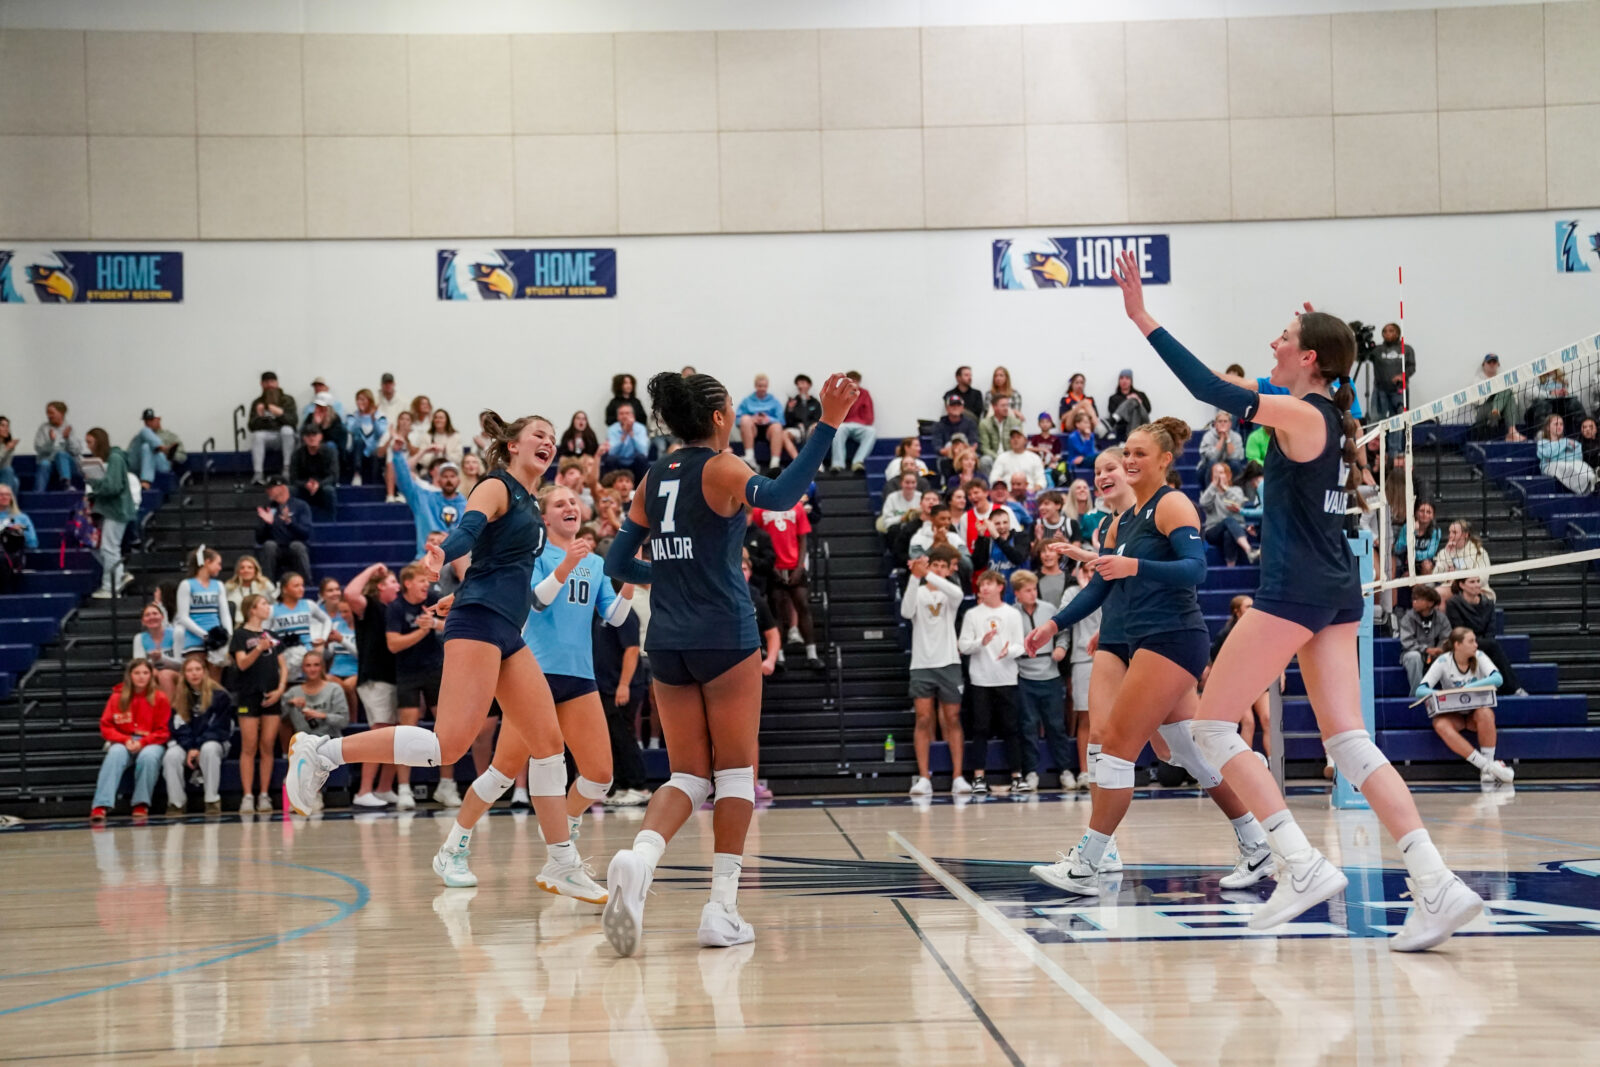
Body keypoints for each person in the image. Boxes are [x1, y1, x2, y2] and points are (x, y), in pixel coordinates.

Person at [1107, 253, 1482, 949]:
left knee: (1214, 730)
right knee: (1349, 740)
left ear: (1309, 357)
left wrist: (1141, 316)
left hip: (1296, 591)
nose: (1271, 343)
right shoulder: (1331, 416)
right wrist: (1314, 336)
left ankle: (1300, 862)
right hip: (1336, 588)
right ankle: (1435, 883)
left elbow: (1209, 386)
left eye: (1283, 335)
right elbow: (1300, 371)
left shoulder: (1304, 412)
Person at [286, 411, 601, 909]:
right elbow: (468, 530)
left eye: (552, 437)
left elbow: (504, 567)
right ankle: (321, 752)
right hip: (479, 626)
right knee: (448, 745)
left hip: (504, 628)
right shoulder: (496, 486)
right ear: (513, 445)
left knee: (547, 745)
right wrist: (440, 556)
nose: (548, 442)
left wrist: (464, 591)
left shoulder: (529, 503)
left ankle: (561, 863)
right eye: (537, 435)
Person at [598, 368, 856, 956]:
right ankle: (721, 909)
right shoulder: (722, 467)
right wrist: (828, 423)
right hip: (723, 633)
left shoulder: (651, 477)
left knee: (686, 774)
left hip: (666, 639)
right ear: (717, 417)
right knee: (736, 773)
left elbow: (619, 560)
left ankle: (641, 858)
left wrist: (667, 575)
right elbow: (783, 496)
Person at [431, 483, 634, 890]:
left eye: (574, 501)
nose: (570, 506)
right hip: (532, 674)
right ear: (544, 518)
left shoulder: (594, 563)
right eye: (560, 503)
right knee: (501, 774)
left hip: (580, 676)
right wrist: (565, 566)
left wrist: (630, 578)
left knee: (599, 776)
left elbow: (614, 617)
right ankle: (452, 847)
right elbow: (536, 601)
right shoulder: (532, 555)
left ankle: (563, 827)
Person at [901, 545, 967, 797]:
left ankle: (958, 776)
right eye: (934, 565)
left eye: (943, 566)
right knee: (923, 718)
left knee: (952, 718)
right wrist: (915, 576)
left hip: (949, 662)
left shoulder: (950, 594)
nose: (938, 570)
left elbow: (957, 592)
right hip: (922, 664)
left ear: (949, 569)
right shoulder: (917, 592)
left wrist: (926, 572)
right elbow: (906, 612)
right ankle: (924, 777)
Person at [1415, 627, 1515, 784]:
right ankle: (1486, 766)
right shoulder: (1443, 661)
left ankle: (1487, 769)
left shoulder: (1480, 656)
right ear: (1457, 645)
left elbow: (1497, 679)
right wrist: (1438, 694)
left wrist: (1468, 688)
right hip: (1455, 714)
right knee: (1440, 724)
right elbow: (1420, 690)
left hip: (1475, 714)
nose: (1476, 644)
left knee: (1486, 713)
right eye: (1471, 641)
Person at [957, 570, 1026, 794]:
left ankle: (1017, 776)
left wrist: (1009, 651)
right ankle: (978, 777)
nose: (984, 588)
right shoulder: (972, 615)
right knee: (980, 729)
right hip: (980, 679)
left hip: (1006, 678)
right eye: (981, 584)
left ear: (1000, 587)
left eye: (989, 584)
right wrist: (981, 641)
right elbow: (963, 645)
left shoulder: (1012, 614)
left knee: (1011, 728)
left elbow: (1020, 645)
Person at [1011, 570, 1071, 792]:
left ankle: (1065, 770)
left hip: (1051, 673)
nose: (1032, 593)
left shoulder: (1048, 609)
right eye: (1027, 590)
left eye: (1034, 589)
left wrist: (1061, 648)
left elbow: (1063, 631)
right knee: (1028, 726)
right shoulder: (1011, 613)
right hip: (1024, 675)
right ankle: (1032, 771)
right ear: (1017, 593)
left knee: (1056, 725)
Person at [90, 659, 171, 821]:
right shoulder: (117, 697)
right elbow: (106, 726)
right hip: (123, 740)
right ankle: (101, 805)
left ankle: (141, 803)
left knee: (148, 757)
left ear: (151, 676)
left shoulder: (160, 698)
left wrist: (143, 742)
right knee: (114, 754)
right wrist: (125, 739)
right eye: (137, 673)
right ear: (130, 675)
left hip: (150, 741)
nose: (141, 677)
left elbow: (164, 730)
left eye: (145, 673)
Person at [595, 580, 651, 806]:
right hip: (604, 685)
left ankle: (640, 786)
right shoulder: (597, 614)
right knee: (613, 738)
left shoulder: (624, 613)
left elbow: (632, 649)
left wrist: (624, 685)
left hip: (623, 686)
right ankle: (621, 785)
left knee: (625, 736)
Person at [228, 594, 286, 813]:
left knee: (268, 745)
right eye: (263, 604)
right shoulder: (240, 634)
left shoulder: (272, 635)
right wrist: (259, 648)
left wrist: (280, 689)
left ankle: (264, 794)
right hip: (248, 694)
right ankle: (247, 795)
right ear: (252, 609)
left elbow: (283, 666)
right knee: (249, 745)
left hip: (272, 693)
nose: (267, 607)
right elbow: (242, 663)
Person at [750, 501, 821, 669]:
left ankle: (812, 653)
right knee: (777, 609)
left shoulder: (796, 507)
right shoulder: (760, 509)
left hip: (794, 564)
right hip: (775, 566)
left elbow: (803, 537)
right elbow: (760, 538)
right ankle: (779, 655)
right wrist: (772, 568)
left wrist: (799, 566)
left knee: (803, 605)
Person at [162, 655, 233, 815]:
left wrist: (198, 746)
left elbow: (219, 728)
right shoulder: (179, 697)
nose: (194, 674)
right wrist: (190, 748)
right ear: (184, 675)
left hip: (215, 742)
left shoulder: (220, 696)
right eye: (189, 670)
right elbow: (178, 727)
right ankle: (176, 803)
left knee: (208, 749)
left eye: (197, 669)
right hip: (189, 744)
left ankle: (212, 800)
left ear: (205, 672)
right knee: (171, 756)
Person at [1445, 576, 1526, 696]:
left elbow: (1491, 630)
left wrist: (1480, 642)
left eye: (1478, 581)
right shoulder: (1453, 603)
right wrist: (1473, 642)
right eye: (1472, 582)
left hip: (1484, 642)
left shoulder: (1488, 603)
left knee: (1491, 644)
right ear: (1462, 585)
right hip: (1463, 642)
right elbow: (1459, 630)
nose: (1477, 585)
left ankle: (1506, 687)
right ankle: (1514, 688)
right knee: (1491, 645)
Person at [390, 438, 468, 558]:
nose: (448, 480)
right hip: (426, 558)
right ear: (438, 479)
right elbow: (404, 480)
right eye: (445, 476)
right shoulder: (423, 498)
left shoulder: (467, 505)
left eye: (452, 476)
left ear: (459, 480)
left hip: (455, 561)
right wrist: (397, 453)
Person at [83, 428, 135, 599]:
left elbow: (113, 487)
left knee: (109, 548)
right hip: (107, 509)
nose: (88, 447)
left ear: (99, 442)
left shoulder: (115, 458)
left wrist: (92, 481)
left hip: (117, 509)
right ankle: (119, 574)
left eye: (90, 442)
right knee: (98, 547)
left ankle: (110, 586)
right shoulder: (108, 459)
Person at [174, 547, 232, 674]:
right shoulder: (186, 584)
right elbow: (183, 617)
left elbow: (224, 614)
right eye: (218, 563)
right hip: (194, 638)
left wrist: (227, 635)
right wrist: (205, 635)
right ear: (207, 562)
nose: (220, 568)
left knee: (214, 681)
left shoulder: (219, 585)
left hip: (217, 639)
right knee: (196, 677)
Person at [282, 649, 349, 751]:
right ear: (303, 668)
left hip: (330, 741)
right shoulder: (293, 692)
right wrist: (289, 704)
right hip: (303, 744)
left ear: (322, 667)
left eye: (316, 665)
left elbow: (343, 721)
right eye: (308, 665)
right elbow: (278, 716)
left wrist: (321, 715)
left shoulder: (334, 689)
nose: (312, 669)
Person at [253, 477, 313, 582]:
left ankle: (306, 583)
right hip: (276, 548)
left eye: (271, 488)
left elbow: (306, 533)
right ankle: (267, 584)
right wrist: (268, 524)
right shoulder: (268, 508)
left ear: (282, 488)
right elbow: (259, 539)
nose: (267, 491)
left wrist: (289, 523)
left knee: (297, 546)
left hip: (293, 546)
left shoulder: (300, 506)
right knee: (269, 546)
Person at [1199, 463, 1258, 566]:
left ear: (1228, 475)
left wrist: (1225, 489)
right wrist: (1213, 486)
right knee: (1228, 520)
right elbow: (1203, 503)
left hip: (1236, 530)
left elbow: (1239, 502)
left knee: (1228, 533)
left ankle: (1230, 567)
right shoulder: (1209, 492)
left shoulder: (1236, 490)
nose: (1218, 477)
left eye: (1221, 473)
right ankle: (1248, 550)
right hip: (1214, 531)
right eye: (1215, 474)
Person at [1397, 584, 1450, 693]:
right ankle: (1417, 694)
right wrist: (1426, 649)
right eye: (1413, 599)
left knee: (1448, 657)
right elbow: (1407, 641)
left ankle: (1449, 693)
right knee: (1414, 657)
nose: (1414, 602)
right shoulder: (1408, 618)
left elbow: (1446, 637)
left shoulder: (1441, 618)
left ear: (1430, 603)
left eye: (1418, 599)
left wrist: (1440, 649)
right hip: (1413, 652)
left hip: (1435, 653)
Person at [247, 372, 298, 484]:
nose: (270, 385)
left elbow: (293, 422)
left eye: (272, 382)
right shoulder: (257, 402)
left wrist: (280, 414)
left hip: (284, 437)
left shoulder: (287, 400)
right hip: (268, 437)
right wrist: (260, 417)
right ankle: (258, 474)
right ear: (261, 384)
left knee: (287, 430)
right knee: (257, 436)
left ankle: (287, 470)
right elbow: (251, 426)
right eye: (266, 382)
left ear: (277, 383)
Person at [132, 602, 183, 702]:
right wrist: (153, 662)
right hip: (153, 672)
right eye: (147, 615)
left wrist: (161, 659)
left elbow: (181, 664)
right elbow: (138, 666)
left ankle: (169, 712)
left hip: (176, 673)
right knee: (152, 674)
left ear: (162, 617)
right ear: (143, 621)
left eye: (155, 613)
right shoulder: (139, 638)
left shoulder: (176, 633)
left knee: (164, 675)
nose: (152, 617)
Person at [736, 374, 787, 472]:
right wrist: (752, 418)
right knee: (745, 419)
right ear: (756, 386)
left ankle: (774, 463)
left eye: (764, 386)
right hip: (752, 429)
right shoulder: (747, 400)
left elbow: (781, 420)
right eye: (760, 386)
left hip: (769, 430)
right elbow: (737, 419)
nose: (762, 388)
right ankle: (749, 457)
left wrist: (768, 419)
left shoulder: (774, 401)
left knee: (777, 426)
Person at [1537, 414, 1596, 496]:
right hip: (1549, 467)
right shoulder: (1543, 443)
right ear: (1548, 427)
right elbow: (1548, 455)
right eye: (1556, 424)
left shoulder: (1573, 442)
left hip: (1570, 464)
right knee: (1567, 466)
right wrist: (1564, 444)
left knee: (1582, 465)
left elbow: (1578, 457)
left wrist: (1558, 455)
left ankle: (1594, 481)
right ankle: (1588, 487)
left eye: (1561, 424)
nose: (1559, 426)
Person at [1369, 322, 1415, 424]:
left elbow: (1412, 367)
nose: (1387, 333)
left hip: (1398, 390)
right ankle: (1378, 440)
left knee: (1398, 421)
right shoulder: (1377, 350)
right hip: (1380, 390)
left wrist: (1402, 376)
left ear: (1397, 333)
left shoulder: (1406, 349)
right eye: (1384, 331)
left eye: (1391, 331)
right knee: (1376, 420)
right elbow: (1362, 357)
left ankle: (1396, 441)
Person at [830, 371, 875, 473]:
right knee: (838, 430)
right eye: (851, 381)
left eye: (856, 381)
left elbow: (869, 416)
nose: (854, 383)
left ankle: (858, 461)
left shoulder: (865, 394)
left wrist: (861, 421)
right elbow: (836, 413)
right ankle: (837, 464)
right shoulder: (840, 394)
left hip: (860, 425)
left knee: (871, 431)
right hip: (843, 424)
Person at [289, 424, 339, 516]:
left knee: (329, 490)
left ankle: (331, 521)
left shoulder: (330, 452)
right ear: (304, 438)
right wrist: (305, 484)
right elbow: (293, 478)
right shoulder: (297, 454)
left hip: (322, 487)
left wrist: (319, 485)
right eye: (308, 435)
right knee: (290, 490)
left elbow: (333, 476)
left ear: (320, 436)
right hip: (304, 488)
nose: (311, 438)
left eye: (314, 435)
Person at [127, 408, 183, 488]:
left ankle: (146, 481)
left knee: (146, 447)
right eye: (146, 421)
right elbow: (131, 455)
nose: (148, 423)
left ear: (159, 419)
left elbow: (182, 457)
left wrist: (172, 456)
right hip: (138, 464)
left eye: (151, 420)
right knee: (144, 433)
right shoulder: (139, 437)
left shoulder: (170, 436)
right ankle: (163, 449)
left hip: (161, 464)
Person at [1471, 354, 1523, 441]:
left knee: (1508, 393)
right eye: (1489, 362)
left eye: (1494, 362)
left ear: (1498, 365)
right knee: (1506, 392)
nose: (1492, 364)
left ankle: (1510, 429)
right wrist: (1494, 393)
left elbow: (1515, 398)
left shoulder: (1504, 378)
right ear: (1484, 365)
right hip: (1483, 410)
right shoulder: (1477, 381)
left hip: (1502, 413)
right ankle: (1512, 432)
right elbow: (1476, 401)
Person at [1434, 519, 1492, 595]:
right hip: (1450, 587)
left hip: (1475, 589)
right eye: (1450, 532)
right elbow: (1436, 575)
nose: (1450, 535)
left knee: (1440, 594)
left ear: (1465, 535)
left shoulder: (1479, 552)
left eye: (1454, 532)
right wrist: (1447, 554)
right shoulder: (1444, 552)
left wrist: (1460, 582)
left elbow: (1483, 578)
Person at [33, 400, 80, 492]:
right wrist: (51, 442)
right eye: (47, 413)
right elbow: (38, 449)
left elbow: (76, 451)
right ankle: (38, 494)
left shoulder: (69, 428)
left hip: (67, 465)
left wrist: (68, 438)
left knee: (61, 454)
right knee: (44, 464)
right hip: (49, 462)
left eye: (51, 413)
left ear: (61, 413)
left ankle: (66, 483)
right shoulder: (44, 428)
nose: (48, 416)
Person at [345, 388, 389, 485]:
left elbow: (380, 434)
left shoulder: (380, 416)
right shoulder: (352, 415)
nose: (360, 402)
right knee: (359, 441)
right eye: (358, 399)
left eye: (363, 399)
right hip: (357, 449)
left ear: (369, 400)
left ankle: (374, 484)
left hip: (373, 450)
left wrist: (373, 419)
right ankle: (357, 474)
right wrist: (360, 416)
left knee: (376, 453)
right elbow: (351, 430)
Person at [931, 394, 979, 473]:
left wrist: (962, 453)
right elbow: (937, 447)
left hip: (967, 455)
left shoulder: (971, 423)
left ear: (962, 408)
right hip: (947, 457)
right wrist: (953, 452)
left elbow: (974, 444)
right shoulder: (939, 425)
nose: (955, 407)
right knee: (943, 462)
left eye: (958, 405)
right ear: (947, 408)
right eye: (952, 405)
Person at [977, 394, 1023, 476]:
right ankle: (990, 486)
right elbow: (984, 448)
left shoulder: (1016, 422)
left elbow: (1020, 444)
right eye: (1003, 406)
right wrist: (999, 458)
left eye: (1007, 405)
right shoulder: (984, 424)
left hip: (1011, 455)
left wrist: (1008, 457)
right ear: (994, 407)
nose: (1006, 408)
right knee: (984, 461)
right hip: (993, 456)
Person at [604, 404, 652, 481]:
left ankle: (642, 489)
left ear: (633, 415)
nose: (624, 416)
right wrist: (624, 434)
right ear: (617, 417)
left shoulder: (640, 428)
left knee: (641, 458)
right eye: (621, 414)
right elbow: (611, 452)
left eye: (627, 413)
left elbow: (644, 452)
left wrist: (631, 434)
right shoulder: (612, 429)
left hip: (634, 461)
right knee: (610, 459)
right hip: (619, 460)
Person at [1393, 500, 1441, 577]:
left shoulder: (1435, 530)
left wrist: (1413, 554)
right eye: (1421, 511)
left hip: (1423, 563)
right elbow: (1397, 549)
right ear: (1416, 513)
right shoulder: (1407, 527)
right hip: (1406, 563)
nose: (1424, 514)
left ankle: (1424, 586)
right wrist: (1412, 533)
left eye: (1428, 512)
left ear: (1433, 516)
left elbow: (1430, 553)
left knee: (1427, 565)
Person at [224, 555, 276, 624]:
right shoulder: (229, 587)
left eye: (250, 567)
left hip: (261, 625)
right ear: (238, 571)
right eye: (242, 568)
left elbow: (276, 604)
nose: (246, 570)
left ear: (255, 570)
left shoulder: (265, 585)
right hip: (237, 625)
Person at [301, 393, 350, 465]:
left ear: (328, 408)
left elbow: (332, 437)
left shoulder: (335, 418)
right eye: (317, 406)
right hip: (312, 444)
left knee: (330, 445)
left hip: (328, 447)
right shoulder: (311, 416)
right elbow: (304, 432)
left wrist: (320, 426)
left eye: (321, 407)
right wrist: (315, 425)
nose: (318, 409)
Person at [1103, 369, 1151, 440]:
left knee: (1133, 401)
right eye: (1121, 378)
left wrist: (1137, 400)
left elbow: (1148, 410)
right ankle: (1131, 438)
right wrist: (1128, 402)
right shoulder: (1113, 398)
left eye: (1127, 378)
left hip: (1143, 421)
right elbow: (1113, 412)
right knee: (1134, 411)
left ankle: (1111, 422)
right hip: (1124, 425)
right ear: (1119, 381)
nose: (1124, 381)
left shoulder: (1140, 394)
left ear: (1131, 381)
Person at [1198, 411, 1245, 478]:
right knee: (1212, 463)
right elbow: (1212, 457)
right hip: (1208, 467)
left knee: (1235, 464)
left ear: (1230, 424)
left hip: (1229, 464)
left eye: (1225, 421)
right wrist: (1222, 438)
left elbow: (1235, 457)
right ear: (1215, 424)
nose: (1222, 424)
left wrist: (1228, 439)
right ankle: (1211, 488)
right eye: (1220, 421)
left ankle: (1235, 488)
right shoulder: (1208, 436)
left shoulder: (1236, 437)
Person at [784, 374, 822, 454]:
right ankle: (797, 461)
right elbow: (788, 422)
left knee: (816, 429)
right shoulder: (792, 402)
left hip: (811, 430)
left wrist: (808, 426)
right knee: (784, 434)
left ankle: (817, 462)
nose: (801, 386)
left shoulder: (815, 402)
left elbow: (818, 419)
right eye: (799, 383)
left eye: (803, 383)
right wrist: (790, 409)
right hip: (797, 430)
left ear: (809, 385)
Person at [1059, 408, 1098, 479]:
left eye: (1089, 423)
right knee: (1098, 457)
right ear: (1077, 424)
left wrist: (1086, 457)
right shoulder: (1072, 437)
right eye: (1085, 423)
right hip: (1076, 462)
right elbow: (1082, 451)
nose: (1088, 425)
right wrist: (1087, 439)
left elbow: (1091, 452)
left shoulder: (1091, 435)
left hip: (1087, 460)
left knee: (1100, 456)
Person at [0, 414, 18, 492]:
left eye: (7, 426)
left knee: (15, 481)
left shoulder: (6, 445)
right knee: (8, 471)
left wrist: (8, 449)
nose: (6, 429)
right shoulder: (6, 447)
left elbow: (5, 465)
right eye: (3, 426)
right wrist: (6, 449)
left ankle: (11, 503)